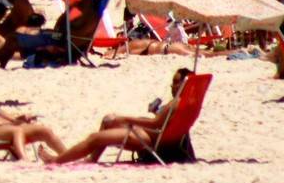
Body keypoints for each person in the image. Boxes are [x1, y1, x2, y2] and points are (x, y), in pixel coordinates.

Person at [39, 68, 195, 164]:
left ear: (184, 83)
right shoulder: (189, 100)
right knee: (108, 121)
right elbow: (163, 123)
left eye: (175, 82)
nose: (171, 85)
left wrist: (124, 119)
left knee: (95, 137)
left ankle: (57, 161)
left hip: (150, 140)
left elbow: (155, 124)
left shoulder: (176, 102)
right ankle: (92, 158)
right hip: (160, 138)